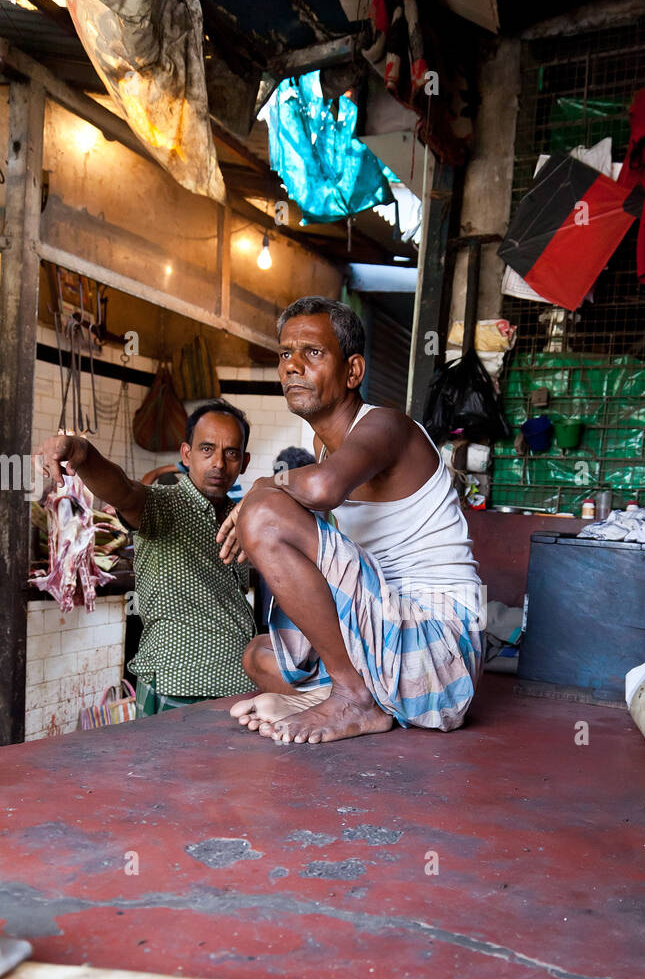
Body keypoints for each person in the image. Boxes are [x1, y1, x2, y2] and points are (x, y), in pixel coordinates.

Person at [218, 296, 484, 745]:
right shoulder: (324, 451)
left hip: (440, 651)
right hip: (392, 636)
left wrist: (263, 487)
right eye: (285, 354)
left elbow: (322, 489)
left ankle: (352, 696)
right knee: (260, 657)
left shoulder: (386, 427)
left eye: (313, 353)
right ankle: (364, 702)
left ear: (353, 371)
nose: (292, 366)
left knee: (264, 514)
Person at [38, 400, 257, 716]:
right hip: (183, 688)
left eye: (231, 453)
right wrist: (82, 453)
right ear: (186, 454)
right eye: (207, 450)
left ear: (244, 461)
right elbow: (124, 490)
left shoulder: (238, 517)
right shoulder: (163, 506)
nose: (219, 464)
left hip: (238, 687)